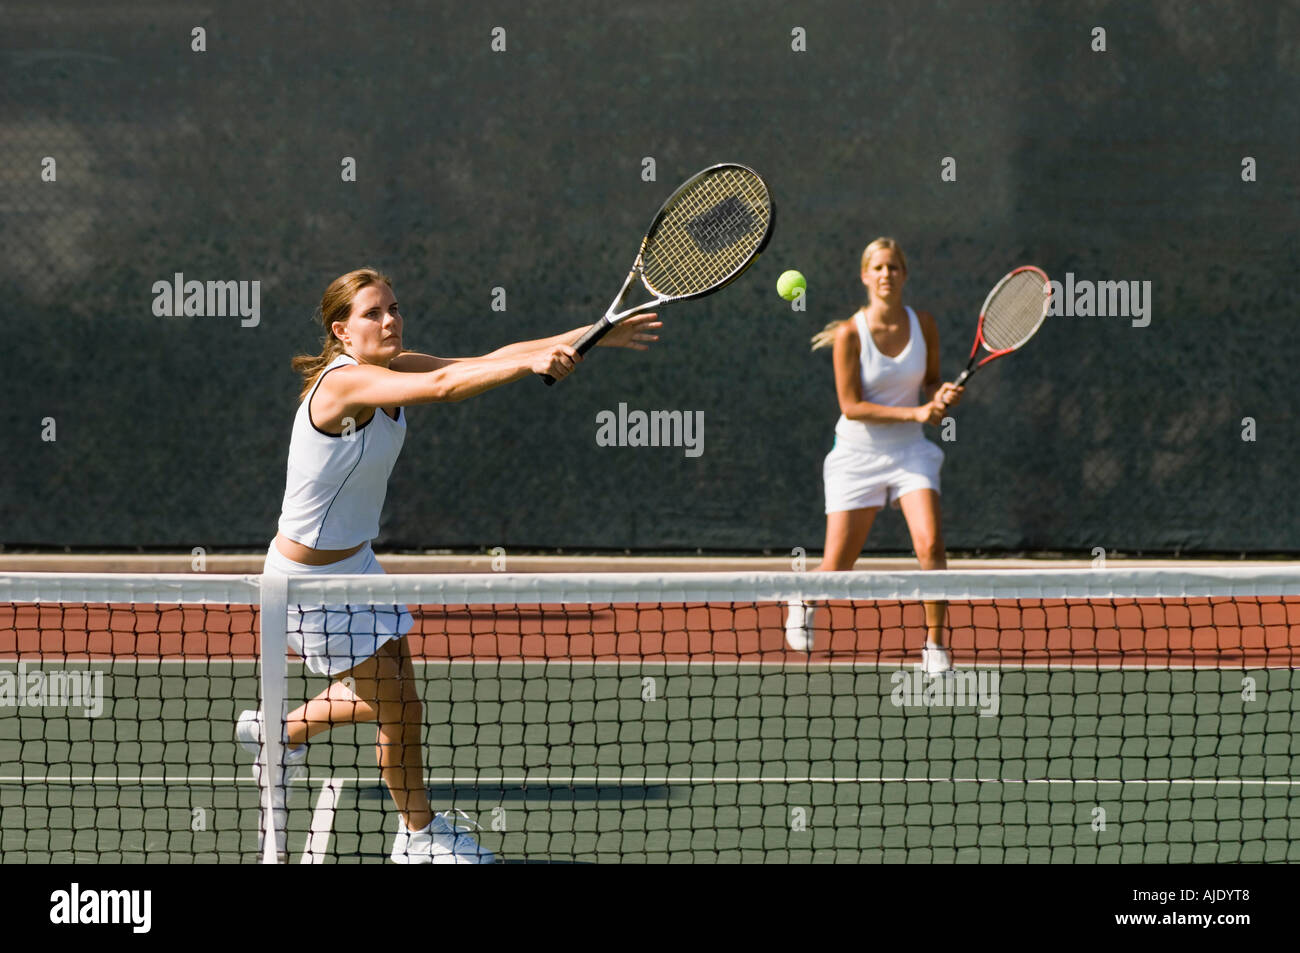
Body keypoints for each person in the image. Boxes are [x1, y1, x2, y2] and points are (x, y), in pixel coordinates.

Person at [236, 266, 660, 863]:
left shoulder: (390, 367)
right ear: (342, 331)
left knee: (390, 696)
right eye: (373, 313)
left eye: (393, 308)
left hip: (356, 564)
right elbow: (444, 389)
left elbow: (480, 359)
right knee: (401, 709)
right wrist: (528, 368)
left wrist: (594, 332)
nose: (390, 320)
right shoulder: (342, 387)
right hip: (311, 587)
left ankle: (280, 732)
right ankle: (418, 836)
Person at [784, 238, 963, 674]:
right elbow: (852, 406)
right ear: (865, 276)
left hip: (910, 454)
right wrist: (918, 410)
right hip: (856, 455)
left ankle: (935, 645)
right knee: (839, 566)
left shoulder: (925, 324)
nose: (887, 275)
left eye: (894, 268)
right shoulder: (849, 333)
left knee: (932, 545)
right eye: (878, 268)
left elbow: (932, 382)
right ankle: (804, 598)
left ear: (905, 275)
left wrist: (940, 396)